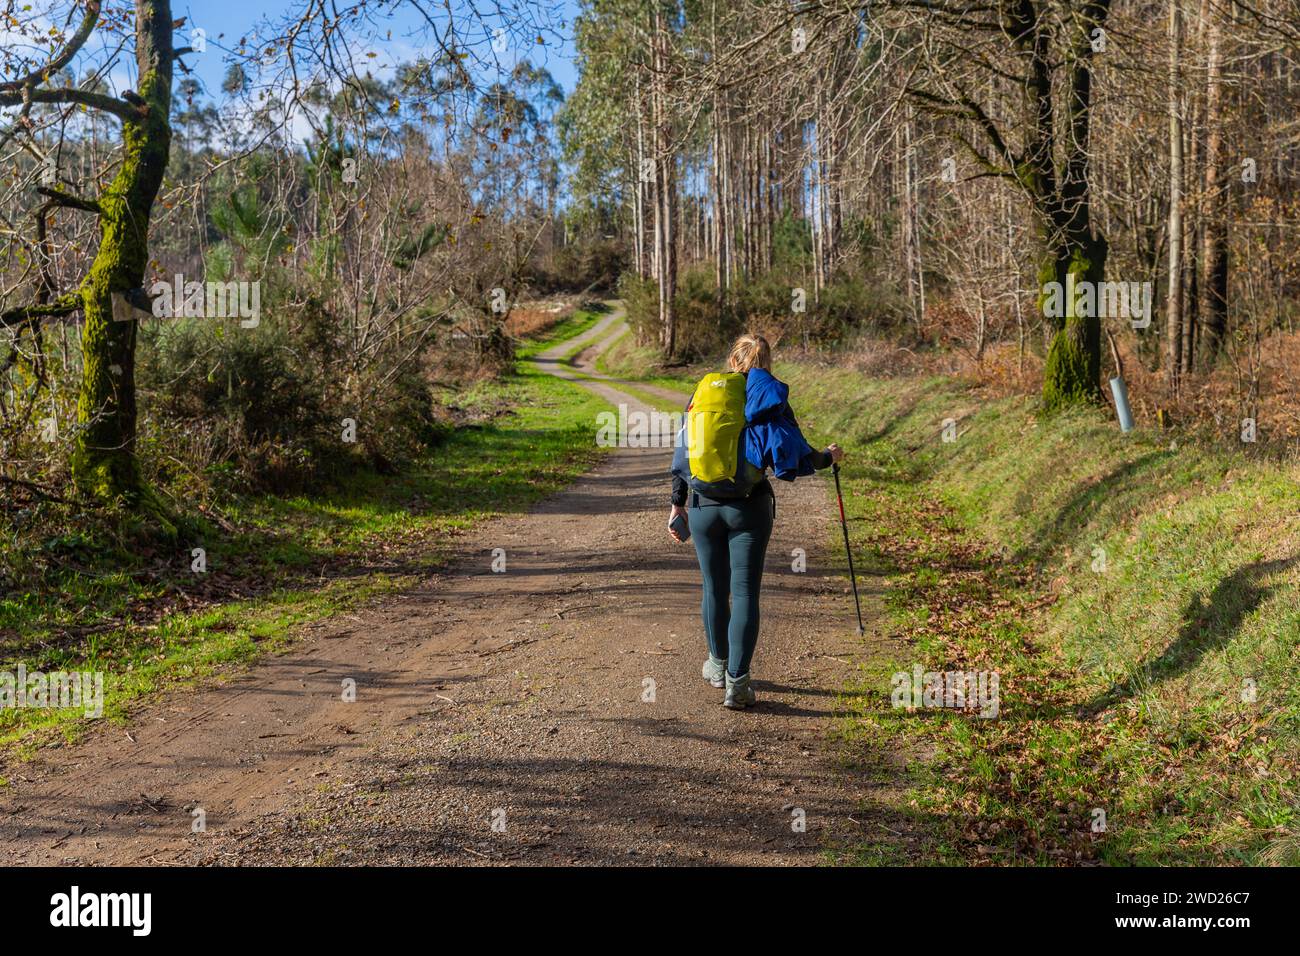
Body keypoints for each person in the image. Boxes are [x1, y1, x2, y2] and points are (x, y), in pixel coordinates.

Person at [668, 333, 844, 709]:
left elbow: (683, 450)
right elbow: (794, 454)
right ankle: (738, 683)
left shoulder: (707, 394)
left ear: (733, 360)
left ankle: (717, 666)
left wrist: (677, 503)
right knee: (745, 591)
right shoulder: (768, 398)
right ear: (767, 362)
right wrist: (828, 457)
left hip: (702, 507)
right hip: (748, 508)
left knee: (714, 588)